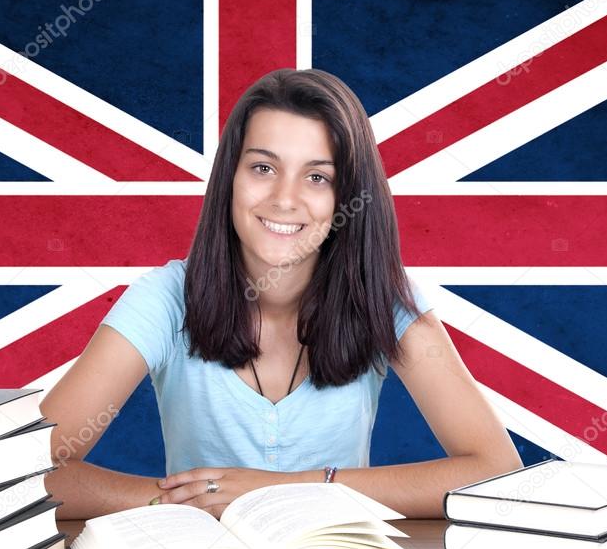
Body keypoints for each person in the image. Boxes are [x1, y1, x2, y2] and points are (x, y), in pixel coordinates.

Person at [42, 68, 522, 520]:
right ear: (230, 178)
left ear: (346, 196)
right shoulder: (166, 297)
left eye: (317, 177)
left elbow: (496, 470)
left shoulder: (382, 297)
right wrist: (188, 503)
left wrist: (289, 489)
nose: (285, 199)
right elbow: (23, 475)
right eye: (263, 168)